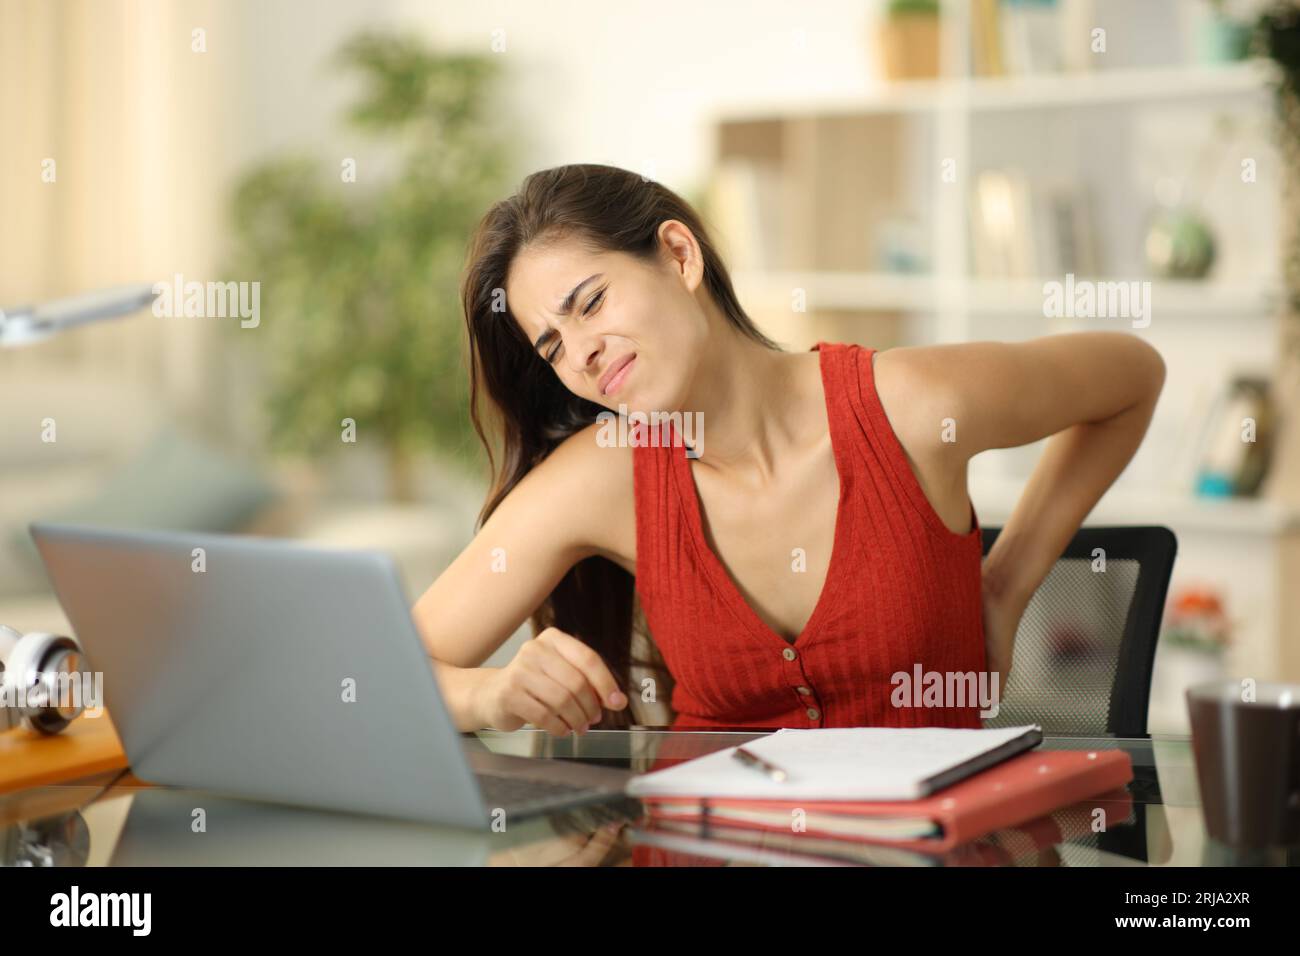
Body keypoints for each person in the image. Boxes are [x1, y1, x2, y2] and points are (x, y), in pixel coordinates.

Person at [412, 163, 1165, 735]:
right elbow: (377, 667)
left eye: (592, 303)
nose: (580, 354)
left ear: (678, 255)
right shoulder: (603, 478)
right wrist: (491, 693)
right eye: (552, 345)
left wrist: (1004, 588)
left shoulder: (911, 407)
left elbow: (1133, 378)